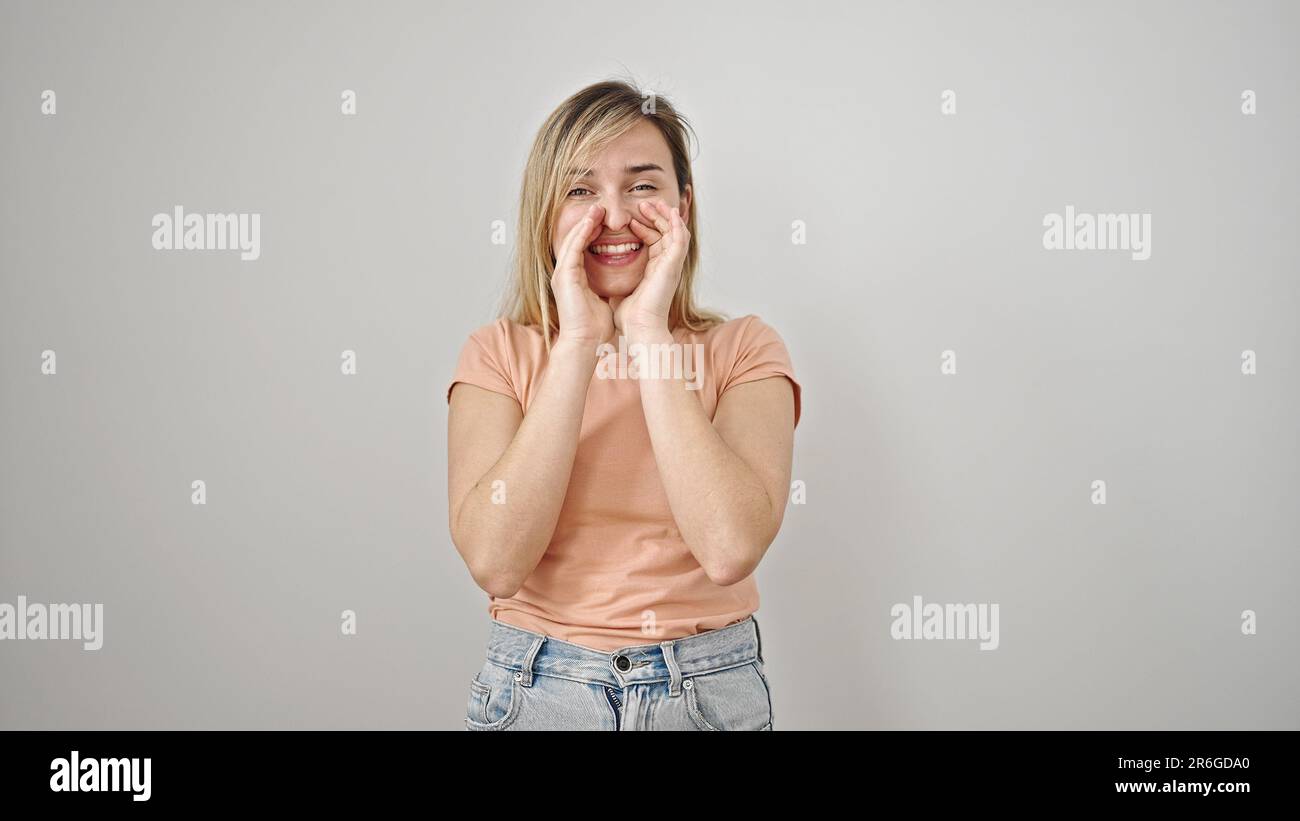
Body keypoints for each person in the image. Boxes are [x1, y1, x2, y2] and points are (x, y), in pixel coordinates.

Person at [446, 80, 802, 730]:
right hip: (537, 690)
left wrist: (647, 333)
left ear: (682, 206)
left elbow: (729, 548)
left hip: (705, 694)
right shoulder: (498, 354)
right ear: (544, 215)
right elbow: (496, 563)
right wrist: (580, 341)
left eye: (643, 185)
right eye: (581, 190)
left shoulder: (745, 350)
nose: (612, 215)